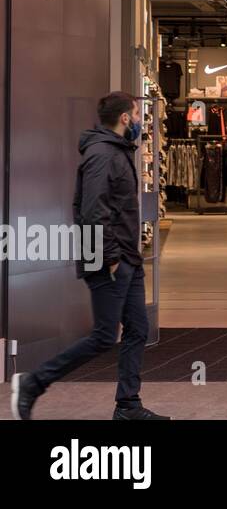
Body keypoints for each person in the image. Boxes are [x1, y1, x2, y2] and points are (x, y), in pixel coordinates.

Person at [11, 92, 169, 421]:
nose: (140, 120)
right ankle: (32, 383)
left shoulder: (118, 150)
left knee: (138, 328)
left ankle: (128, 405)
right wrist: (111, 257)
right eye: (138, 113)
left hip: (127, 257)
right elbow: (92, 210)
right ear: (126, 117)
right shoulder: (102, 153)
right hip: (110, 259)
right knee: (103, 336)